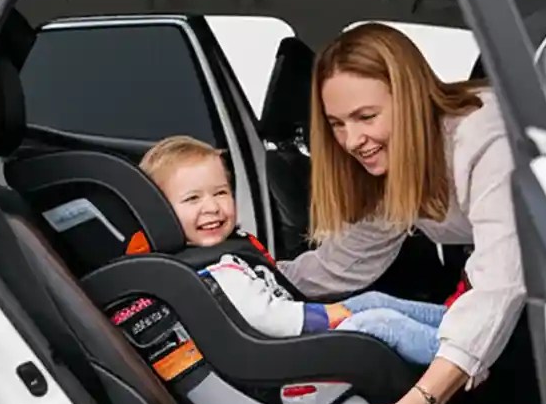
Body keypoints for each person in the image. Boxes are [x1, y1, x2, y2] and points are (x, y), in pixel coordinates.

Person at [277, 22, 546, 404]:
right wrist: (257, 283)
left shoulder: (482, 136)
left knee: (491, 395)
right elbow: (344, 266)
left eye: (366, 117)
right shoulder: (393, 158)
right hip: (511, 276)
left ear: (411, 92)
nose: (352, 139)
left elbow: (503, 282)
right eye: (337, 124)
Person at [138, 135, 449, 366]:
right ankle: (456, 354)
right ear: (159, 212)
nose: (212, 207)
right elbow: (271, 318)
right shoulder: (216, 273)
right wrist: (328, 315)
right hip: (291, 360)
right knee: (379, 321)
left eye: (220, 192)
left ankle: (456, 321)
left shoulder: (223, 255)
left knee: (372, 301)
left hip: (290, 347)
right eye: (192, 199)